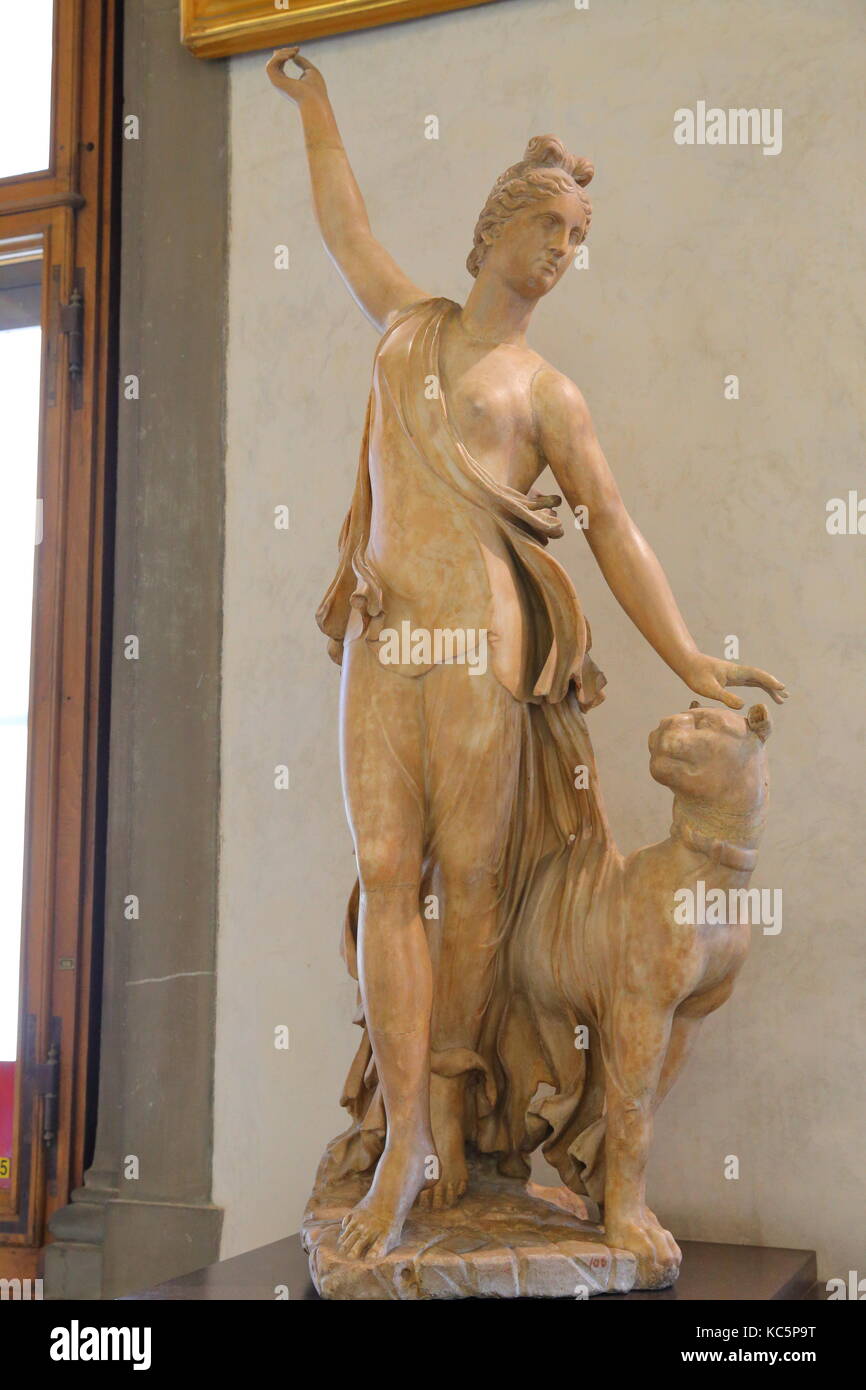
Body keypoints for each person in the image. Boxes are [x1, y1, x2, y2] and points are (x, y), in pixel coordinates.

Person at [266, 46, 786, 1260]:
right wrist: (315, 104)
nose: (561, 251)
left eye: (575, 238)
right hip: (385, 639)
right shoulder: (412, 329)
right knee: (388, 877)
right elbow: (344, 228)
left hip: (481, 653)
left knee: (477, 897)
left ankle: (445, 1137)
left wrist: (699, 663)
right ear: (494, 228)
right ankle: (409, 1137)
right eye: (547, 225)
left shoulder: (547, 394)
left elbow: (614, 529)